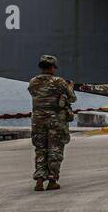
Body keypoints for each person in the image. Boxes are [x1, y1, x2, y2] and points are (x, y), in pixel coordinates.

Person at [28, 54, 76, 191]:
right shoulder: (59, 82)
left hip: (38, 120)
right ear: (53, 67)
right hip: (55, 120)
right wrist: (70, 87)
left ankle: (39, 179)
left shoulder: (33, 82)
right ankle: (52, 180)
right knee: (55, 150)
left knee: (40, 149)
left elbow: (35, 94)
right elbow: (72, 98)